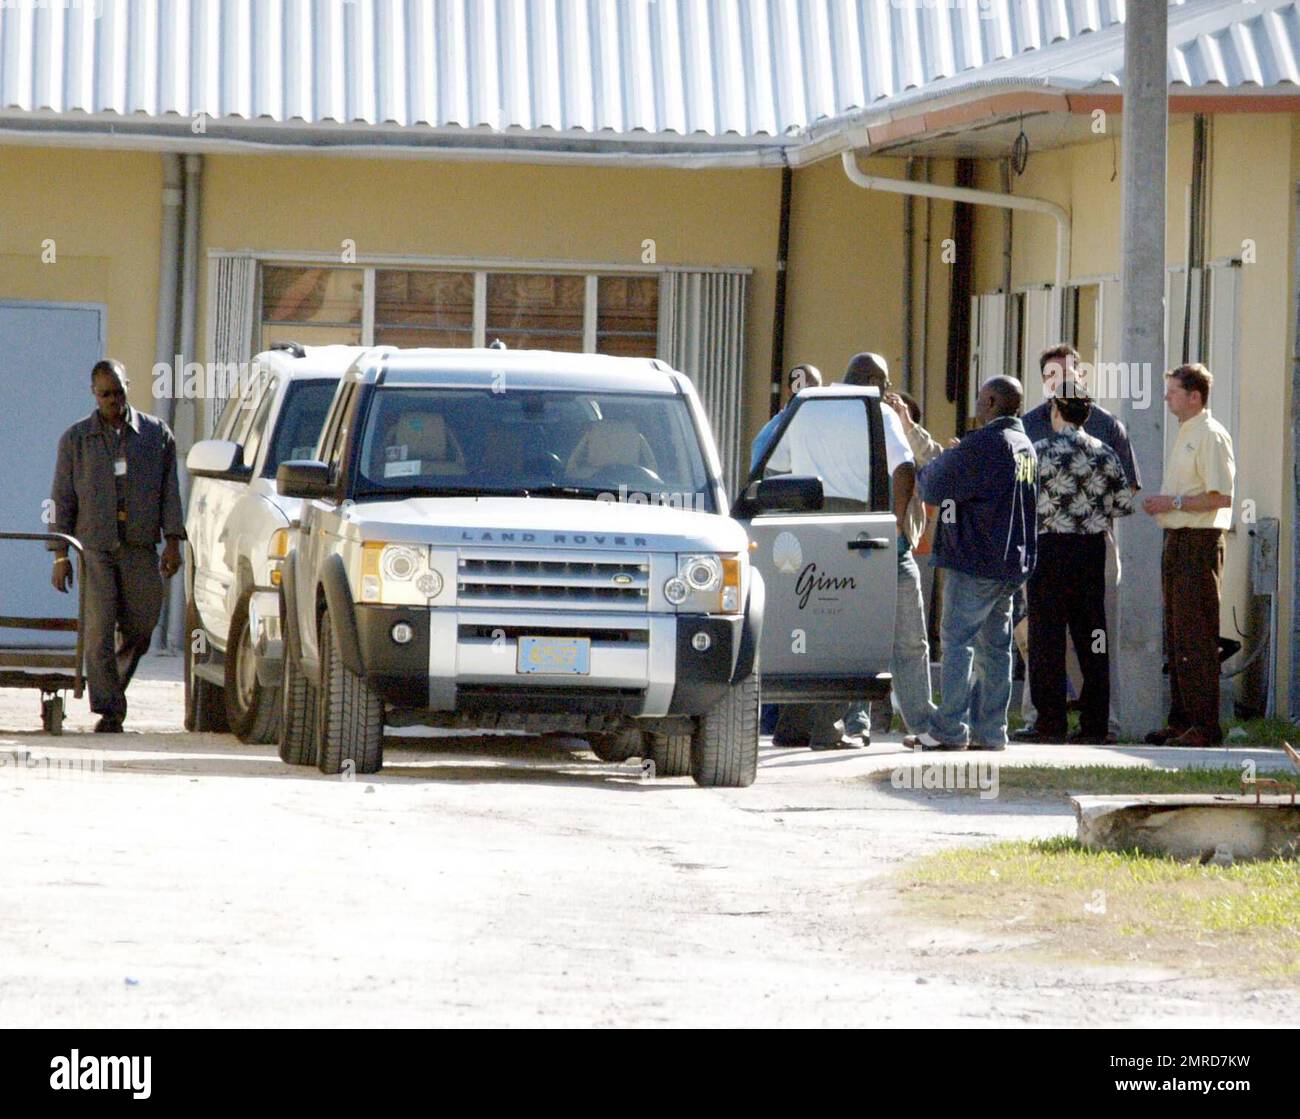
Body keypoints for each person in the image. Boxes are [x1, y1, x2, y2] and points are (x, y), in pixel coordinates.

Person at [764, 356, 916, 750]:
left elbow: (775, 466)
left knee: (811, 625)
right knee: (847, 628)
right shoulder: (877, 411)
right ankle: (828, 728)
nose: (887, 389)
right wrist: (897, 521)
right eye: (884, 381)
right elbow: (905, 468)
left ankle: (793, 724)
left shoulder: (809, 407)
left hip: (805, 523)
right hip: (855, 522)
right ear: (871, 380)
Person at [50, 359, 185, 733]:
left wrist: (173, 542)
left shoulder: (156, 435)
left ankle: (112, 687)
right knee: (99, 630)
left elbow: (170, 492)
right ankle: (110, 711)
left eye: (118, 392)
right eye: (104, 394)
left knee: (142, 627)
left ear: (129, 387)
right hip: (94, 547)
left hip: (140, 545)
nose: (112, 400)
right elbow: (61, 498)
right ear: (94, 394)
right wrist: (60, 554)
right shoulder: (76, 440)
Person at [1016, 344, 1141, 742]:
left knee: (1046, 638)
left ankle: (1049, 722)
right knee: (1094, 639)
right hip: (1090, 550)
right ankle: (1095, 725)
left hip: (1047, 549)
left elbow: (1018, 500)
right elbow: (1124, 503)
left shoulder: (1036, 452)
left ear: (1056, 411)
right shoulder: (1105, 453)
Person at [909, 376, 1038, 751]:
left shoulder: (984, 443)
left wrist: (952, 456)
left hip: (976, 560)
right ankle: (992, 731)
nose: (976, 405)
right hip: (1012, 564)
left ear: (994, 401)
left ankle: (949, 728)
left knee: (957, 642)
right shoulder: (1024, 445)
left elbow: (932, 486)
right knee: (996, 648)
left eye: (981, 399)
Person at [1141, 363, 1235, 748]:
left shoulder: (1211, 435)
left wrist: (1172, 501)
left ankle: (1204, 724)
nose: (1167, 397)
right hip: (1177, 539)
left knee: (1196, 634)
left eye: (1174, 391)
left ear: (1195, 396)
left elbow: (1221, 497)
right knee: (1178, 635)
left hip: (1199, 540)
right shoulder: (1186, 433)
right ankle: (1181, 720)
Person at [752, 363, 822, 737]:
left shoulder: (790, 428)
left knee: (796, 629)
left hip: (803, 539)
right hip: (783, 541)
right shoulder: (782, 429)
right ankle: (773, 718)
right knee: (782, 628)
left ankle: (787, 719)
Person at [751, 363, 821, 472]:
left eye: (814, 386)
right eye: (802, 387)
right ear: (788, 391)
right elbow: (761, 483)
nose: (809, 393)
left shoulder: (827, 428)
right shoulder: (769, 437)